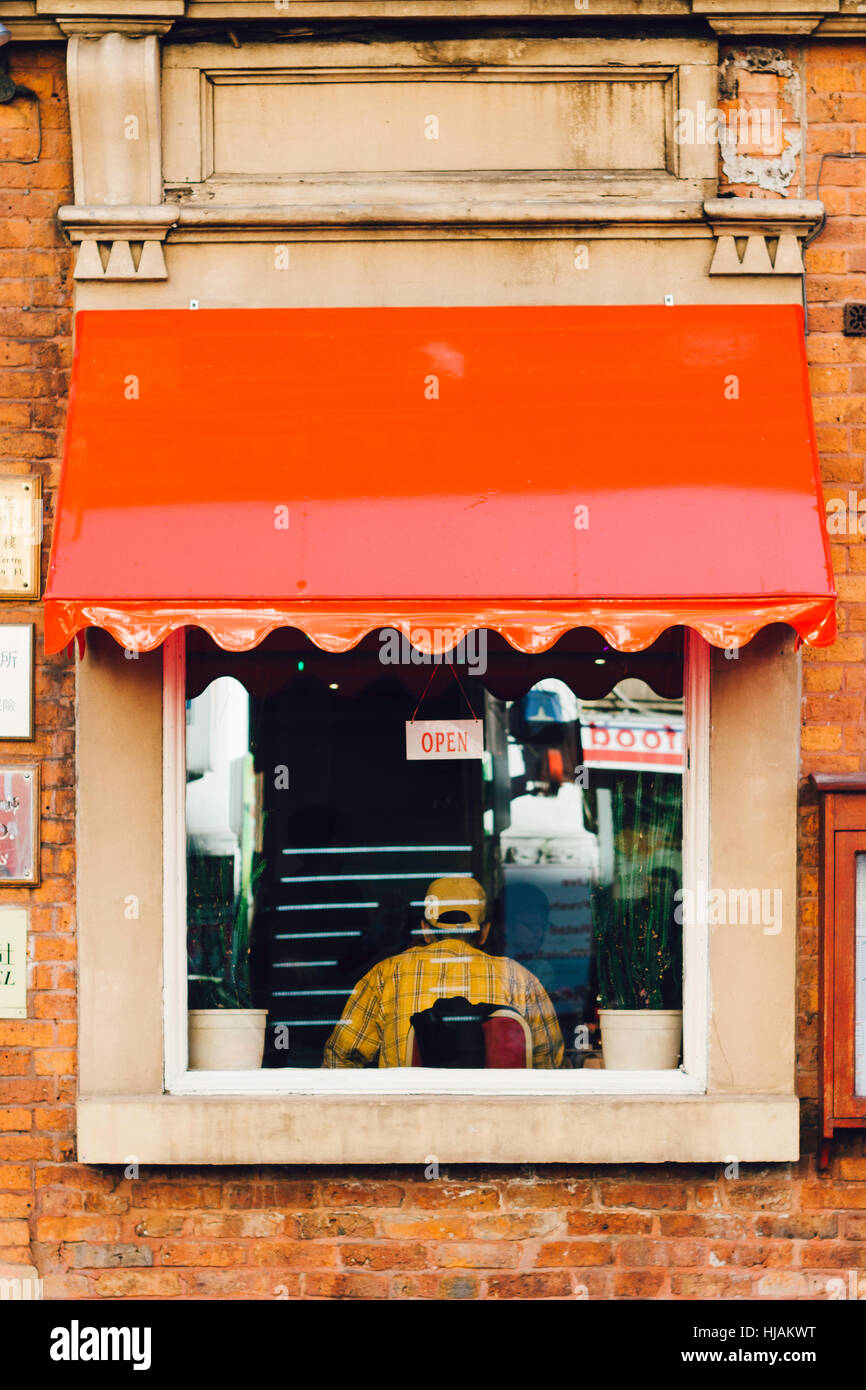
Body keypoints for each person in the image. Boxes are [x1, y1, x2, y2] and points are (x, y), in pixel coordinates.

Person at [323, 876, 564, 1068]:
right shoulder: (519, 980)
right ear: (485, 932)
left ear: (425, 930)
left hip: (408, 1123)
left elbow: (341, 1059)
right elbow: (550, 1063)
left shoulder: (386, 975)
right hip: (497, 1124)